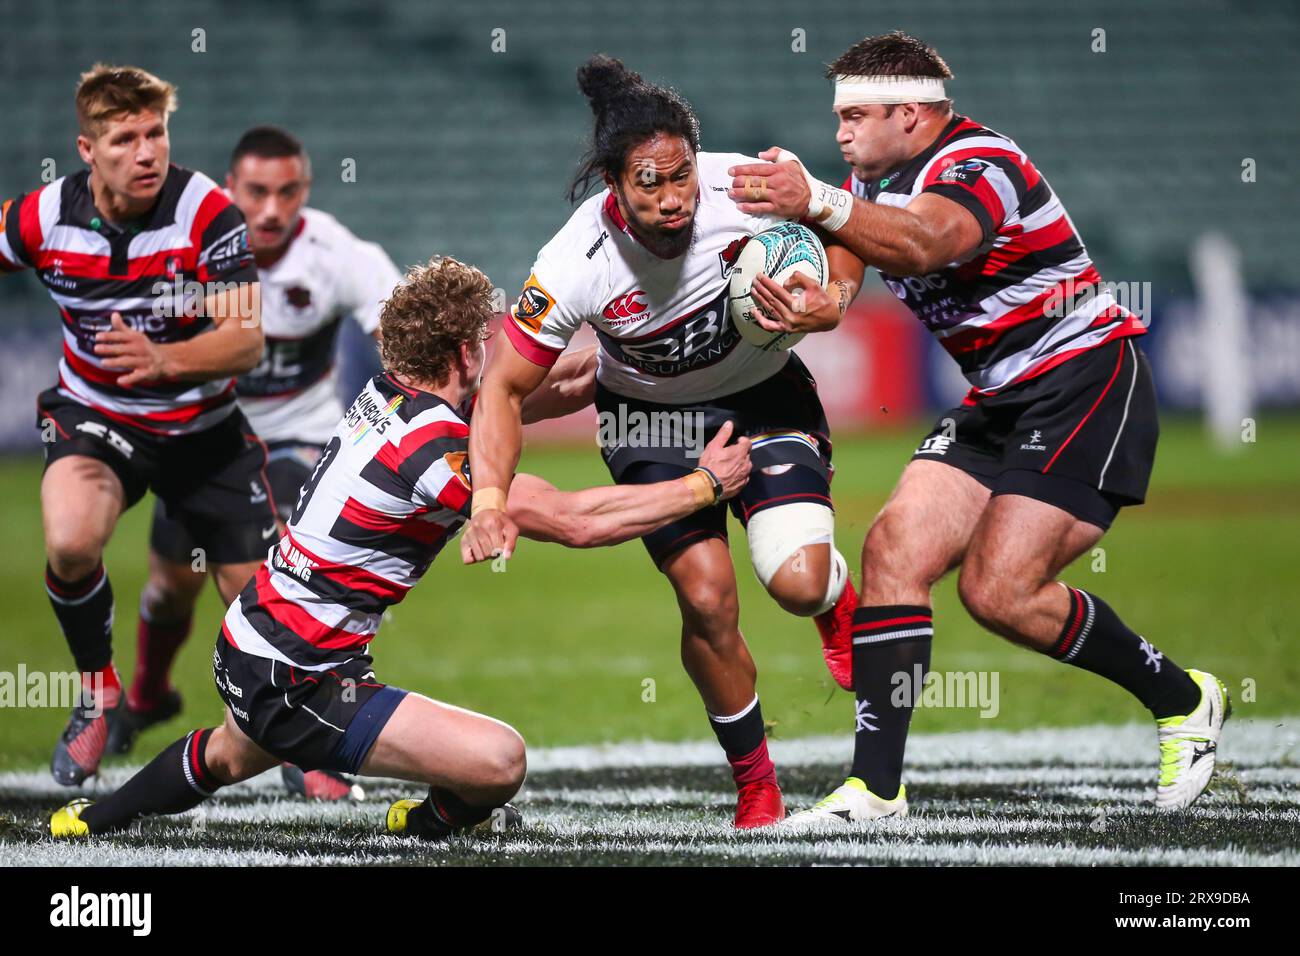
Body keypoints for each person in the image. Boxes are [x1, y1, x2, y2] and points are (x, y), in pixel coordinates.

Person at [50, 255, 751, 840]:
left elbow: (548, 386)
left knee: (231, 754)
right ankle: (418, 830)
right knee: (500, 762)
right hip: (303, 674)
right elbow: (574, 520)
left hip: (254, 644)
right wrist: (703, 486)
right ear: (466, 353)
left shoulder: (394, 396)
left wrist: (643, 343)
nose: (507, 353)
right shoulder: (433, 453)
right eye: (492, 339)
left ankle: (93, 820)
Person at [725, 31, 1228, 825]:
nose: (842, 133)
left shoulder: (978, 162)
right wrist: (829, 300)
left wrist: (814, 199)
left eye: (857, 115)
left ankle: (1184, 697)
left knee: (999, 591)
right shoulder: (879, 181)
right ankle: (877, 790)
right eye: (839, 118)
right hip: (1000, 398)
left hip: (1086, 380)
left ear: (914, 114)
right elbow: (857, 255)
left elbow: (927, 244)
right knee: (893, 550)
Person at [462, 56, 865, 830]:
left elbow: (847, 227)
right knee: (707, 596)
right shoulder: (573, 261)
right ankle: (756, 783)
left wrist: (834, 299)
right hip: (649, 424)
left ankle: (831, 601)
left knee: (797, 582)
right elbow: (504, 389)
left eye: (681, 175)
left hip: (762, 398)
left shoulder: (748, 185)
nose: (674, 197)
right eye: (650, 183)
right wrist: (488, 499)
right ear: (614, 181)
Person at [0, 64, 268, 786]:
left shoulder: (206, 212)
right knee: (70, 539)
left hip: (203, 430)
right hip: (99, 417)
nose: (146, 152)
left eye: (156, 134)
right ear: (87, 151)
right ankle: (96, 695)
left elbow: (246, 339)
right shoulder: (41, 216)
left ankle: (291, 734)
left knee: (260, 610)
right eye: (124, 139)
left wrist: (166, 356)